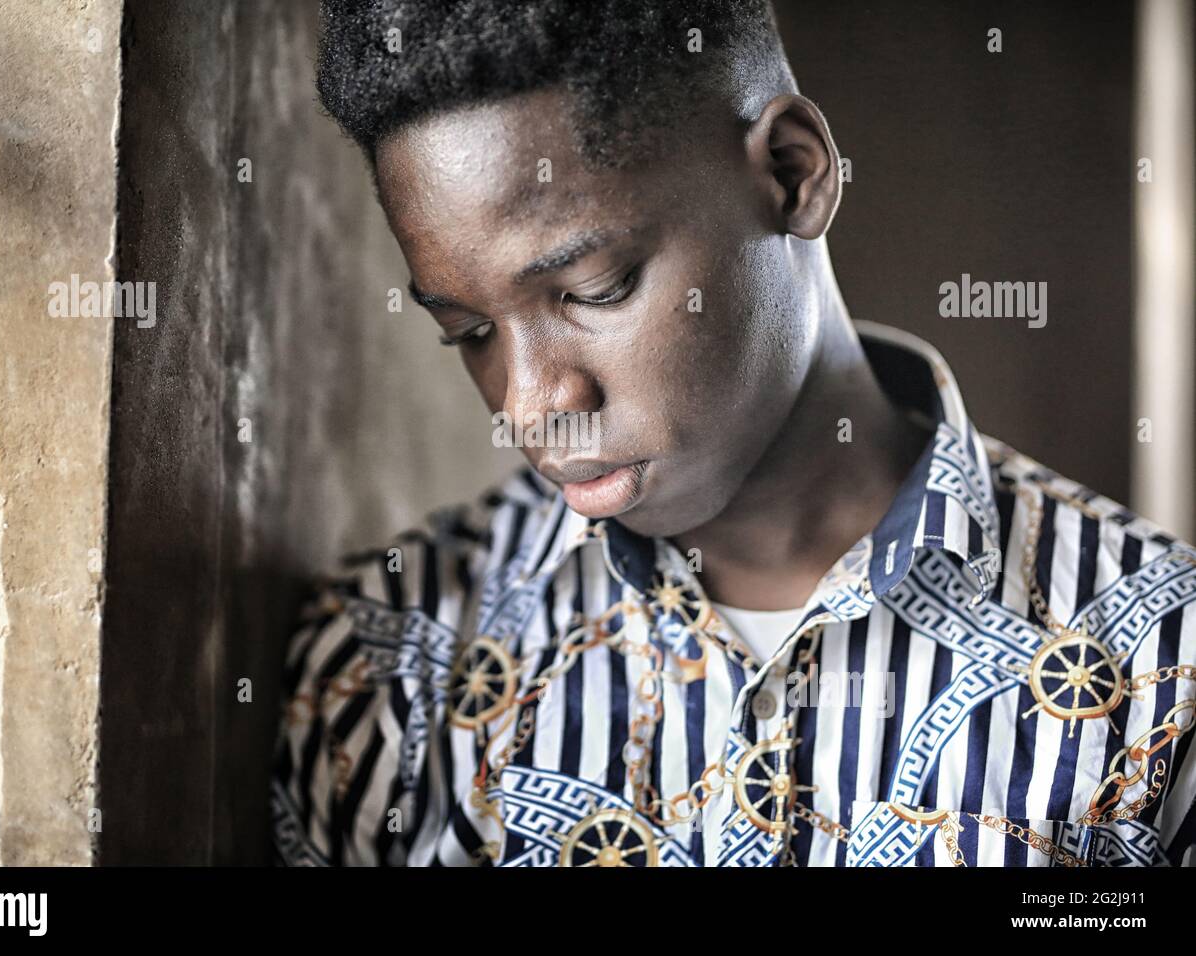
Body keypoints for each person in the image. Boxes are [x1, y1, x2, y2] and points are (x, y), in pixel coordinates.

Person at [271, 0, 1196, 867]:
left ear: (792, 173)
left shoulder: (1165, 669)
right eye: (470, 334)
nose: (528, 404)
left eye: (594, 291)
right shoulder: (386, 676)